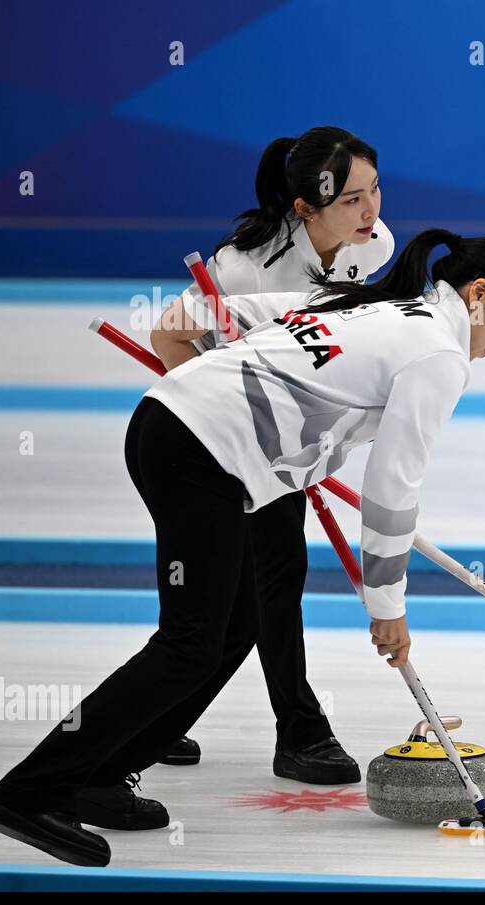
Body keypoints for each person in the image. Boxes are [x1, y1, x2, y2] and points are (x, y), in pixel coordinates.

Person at [0, 228, 485, 866]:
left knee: (235, 624)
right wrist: (387, 606)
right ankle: (30, 792)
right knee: (189, 643)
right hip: (199, 454)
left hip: (177, 433)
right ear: (478, 294)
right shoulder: (441, 354)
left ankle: (106, 776)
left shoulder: (378, 304)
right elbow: (393, 488)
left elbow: (200, 316)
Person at [152, 126, 393, 784]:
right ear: (304, 210)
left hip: (287, 442)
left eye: (375, 191)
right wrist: (234, 417)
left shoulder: (372, 246)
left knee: (241, 593)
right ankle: (301, 733)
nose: (370, 212)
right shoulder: (242, 267)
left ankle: (156, 718)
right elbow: (167, 335)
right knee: (269, 581)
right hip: (224, 441)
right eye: (350, 200)